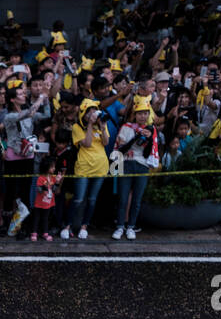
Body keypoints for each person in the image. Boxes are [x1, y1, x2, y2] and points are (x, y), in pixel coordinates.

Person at [112, 97, 161, 241]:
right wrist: (137, 137)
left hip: (142, 166)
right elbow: (121, 149)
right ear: (135, 114)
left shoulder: (152, 129)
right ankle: (120, 226)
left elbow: (148, 153)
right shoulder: (126, 127)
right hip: (126, 164)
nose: (143, 116)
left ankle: (131, 227)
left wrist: (150, 138)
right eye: (140, 113)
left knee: (137, 199)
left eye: (146, 113)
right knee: (122, 198)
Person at [64, 98, 109, 240]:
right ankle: (67, 226)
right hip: (83, 168)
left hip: (100, 167)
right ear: (83, 114)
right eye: (89, 112)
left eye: (94, 111)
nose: (93, 114)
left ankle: (84, 226)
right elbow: (87, 143)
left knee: (92, 200)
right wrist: (90, 124)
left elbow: (106, 142)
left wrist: (102, 127)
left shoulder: (101, 125)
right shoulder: (77, 127)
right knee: (78, 199)